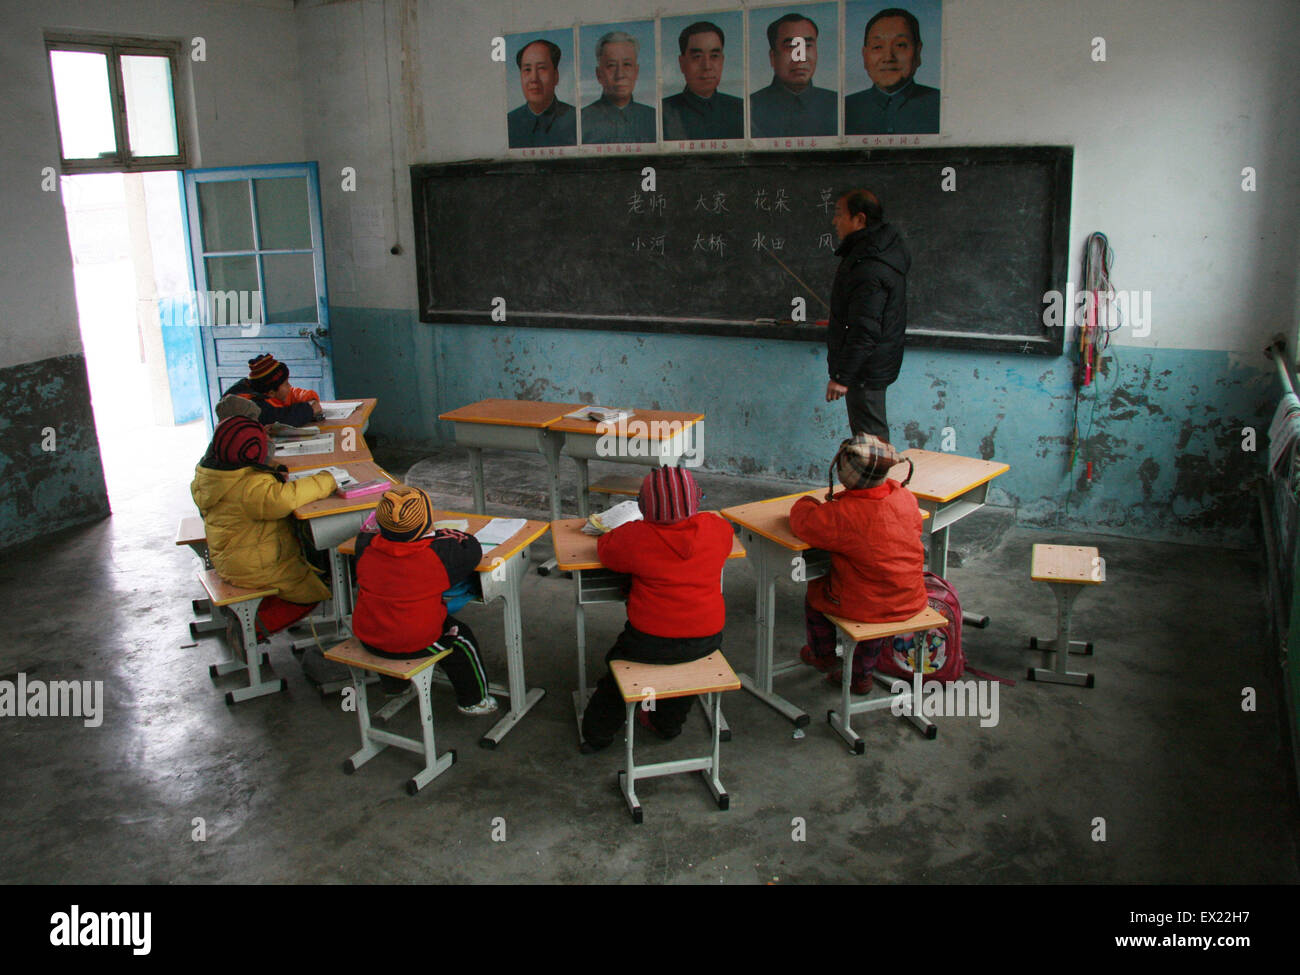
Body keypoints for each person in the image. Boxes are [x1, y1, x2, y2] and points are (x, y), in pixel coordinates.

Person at [580, 467, 733, 752]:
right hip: (707, 639)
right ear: (695, 501)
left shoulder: (637, 537)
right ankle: (667, 724)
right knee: (687, 671)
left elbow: (606, 549)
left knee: (615, 677)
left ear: (643, 506)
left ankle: (597, 736)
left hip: (648, 641)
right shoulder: (717, 528)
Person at [790, 435, 926, 693]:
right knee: (876, 596)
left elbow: (803, 524)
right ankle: (862, 674)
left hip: (869, 604)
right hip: (910, 597)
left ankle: (823, 655)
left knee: (818, 593)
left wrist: (806, 502)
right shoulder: (903, 496)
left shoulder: (842, 514)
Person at [190, 416, 337, 651]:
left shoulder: (214, 476)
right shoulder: (251, 488)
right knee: (316, 588)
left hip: (233, 558)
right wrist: (327, 480)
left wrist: (271, 471)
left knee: (312, 569)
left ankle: (252, 617)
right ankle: (253, 626)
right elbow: (284, 498)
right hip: (256, 565)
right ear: (253, 453)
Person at [350, 485, 498, 715]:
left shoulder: (364, 547)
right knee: (461, 639)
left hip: (368, 636)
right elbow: (471, 547)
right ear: (427, 522)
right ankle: (474, 700)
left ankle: (395, 686)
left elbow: (366, 535)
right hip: (413, 640)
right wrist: (439, 534)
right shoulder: (438, 554)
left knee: (385, 620)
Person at [825, 188, 911, 442]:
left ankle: (880, 483)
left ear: (859, 219)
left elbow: (865, 329)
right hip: (870, 364)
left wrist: (842, 377)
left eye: (840, 214)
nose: (835, 221)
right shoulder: (875, 252)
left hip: (866, 368)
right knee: (870, 439)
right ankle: (877, 481)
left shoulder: (870, 265)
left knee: (871, 443)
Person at [845, 8, 940, 135]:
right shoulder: (845, 108)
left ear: (918, 53)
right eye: (877, 47)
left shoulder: (942, 104)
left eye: (900, 45)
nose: (888, 57)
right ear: (865, 56)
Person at [749, 13, 838, 138]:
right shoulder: (750, 108)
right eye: (791, 47)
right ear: (772, 57)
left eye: (807, 46)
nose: (800, 57)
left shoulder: (837, 104)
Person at [661, 21, 743, 141]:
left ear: (722, 60)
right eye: (697, 57)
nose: (707, 66)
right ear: (682, 63)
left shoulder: (741, 109)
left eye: (714, 56)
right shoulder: (662, 112)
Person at [581, 31, 657, 144]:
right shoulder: (580, 120)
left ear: (636, 72)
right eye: (611, 65)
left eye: (627, 64)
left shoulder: (654, 119)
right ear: (598, 74)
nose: (620, 75)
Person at [506, 39, 577, 148]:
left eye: (541, 68)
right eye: (527, 70)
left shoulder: (577, 120)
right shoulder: (508, 124)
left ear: (556, 76)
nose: (534, 78)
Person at [222, 353, 324, 427]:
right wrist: (309, 409)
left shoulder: (263, 388)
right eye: (286, 383)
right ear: (271, 392)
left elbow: (291, 393)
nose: (290, 386)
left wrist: (310, 399)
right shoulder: (249, 405)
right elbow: (282, 419)